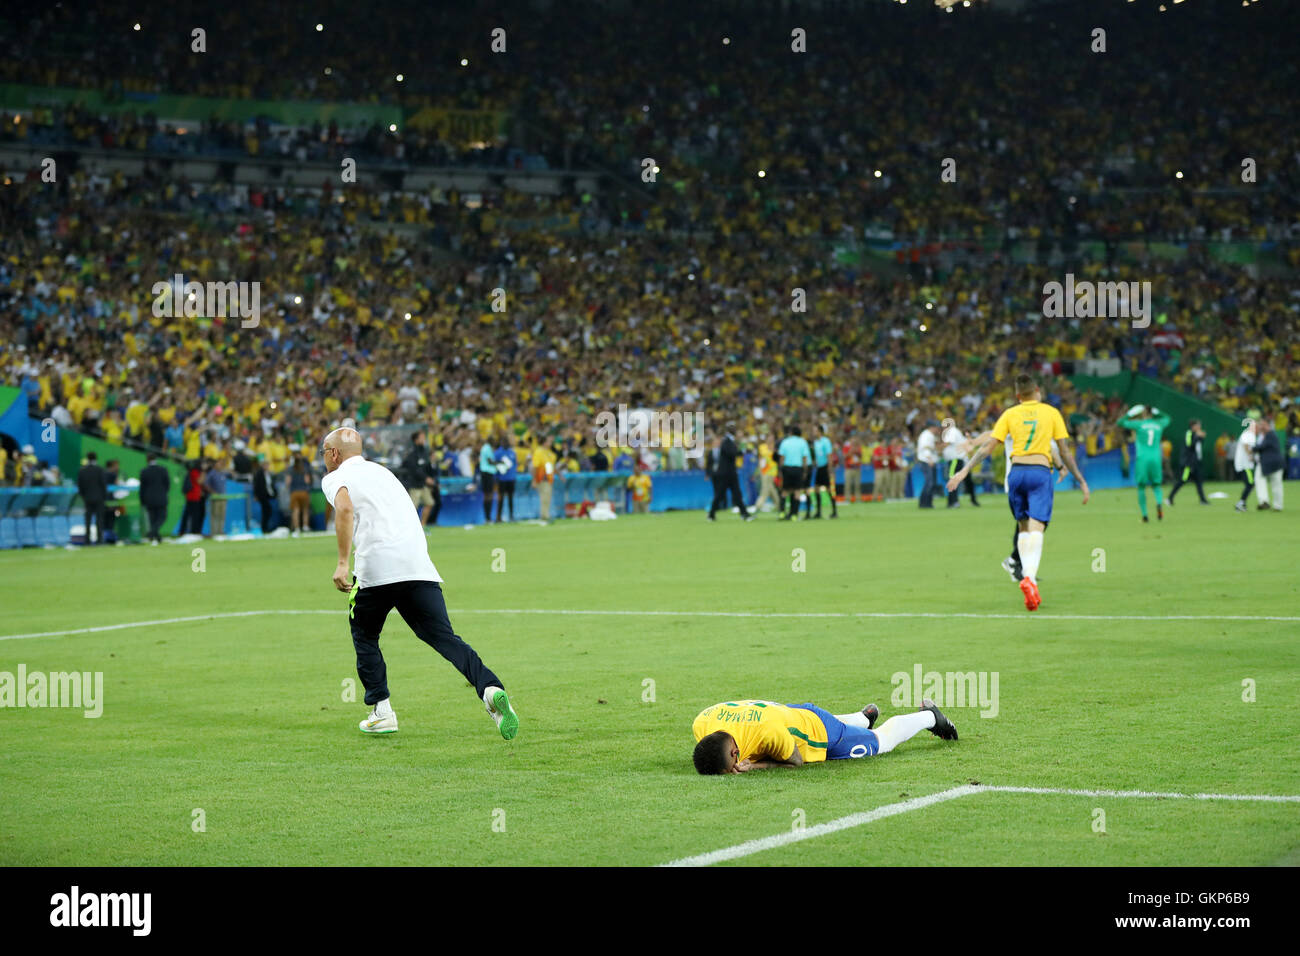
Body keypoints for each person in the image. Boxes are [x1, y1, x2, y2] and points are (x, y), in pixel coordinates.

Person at [320, 426, 518, 739]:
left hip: (376, 570)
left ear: (333, 454)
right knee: (444, 637)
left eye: (324, 453)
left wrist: (343, 562)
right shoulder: (384, 473)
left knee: (365, 633)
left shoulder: (334, 477)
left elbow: (344, 508)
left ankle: (381, 711)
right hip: (417, 566)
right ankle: (490, 688)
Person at [948, 374, 1090, 611]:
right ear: (1036, 390)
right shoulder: (1051, 413)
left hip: (1016, 473)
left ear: (1017, 395)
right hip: (1039, 472)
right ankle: (1030, 578)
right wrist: (1081, 480)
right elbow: (1063, 450)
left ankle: (1022, 571)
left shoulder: (1009, 414)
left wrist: (964, 471)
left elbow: (989, 445)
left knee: (1023, 527)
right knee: (1038, 527)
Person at [691, 697, 957, 775]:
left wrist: (756, 765)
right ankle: (863, 717)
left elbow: (796, 761)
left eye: (731, 768)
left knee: (881, 742)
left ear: (736, 754)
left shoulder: (767, 733)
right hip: (788, 713)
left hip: (820, 730)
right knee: (853, 727)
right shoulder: (702, 722)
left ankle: (931, 716)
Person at [1116, 405, 1170, 523]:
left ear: (1143, 414)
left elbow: (1120, 422)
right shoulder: (1159, 423)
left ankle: (1145, 515)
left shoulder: (1139, 424)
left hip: (1143, 459)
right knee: (1156, 485)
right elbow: (1168, 418)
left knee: (1141, 487)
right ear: (1152, 413)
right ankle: (1159, 504)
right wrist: (1158, 411)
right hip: (1156, 458)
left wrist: (1130, 413)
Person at [707, 424, 752, 521]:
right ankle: (711, 514)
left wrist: (741, 447)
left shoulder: (728, 441)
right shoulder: (727, 441)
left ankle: (744, 514)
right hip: (726, 474)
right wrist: (741, 446)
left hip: (729, 473)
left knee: (736, 494)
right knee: (720, 495)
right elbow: (733, 453)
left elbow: (736, 453)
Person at [776, 424, 812, 521]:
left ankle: (782, 513)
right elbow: (804, 457)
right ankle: (794, 515)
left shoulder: (785, 442)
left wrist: (780, 470)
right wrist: (805, 471)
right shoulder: (803, 442)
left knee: (784, 491)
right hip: (798, 468)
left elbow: (782, 457)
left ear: (791, 433)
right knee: (797, 492)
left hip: (787, 468)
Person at [1168, 419, 1208, 506]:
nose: (1199, 427)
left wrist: (1201, 437)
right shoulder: (1189, 433)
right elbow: (1189, 444)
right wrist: (1198, 436)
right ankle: (1170, 498)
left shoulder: (1196, 435)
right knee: (1183, 480)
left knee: (1199, 481)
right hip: (1188, 464)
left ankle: (1203, 500)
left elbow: (1198, 445)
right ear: (1193, 426)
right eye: (1198, 425)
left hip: (1195, 463)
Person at [401, 432, 436, 526]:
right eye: (421, 438)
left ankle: (422, 525)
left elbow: (427, 467)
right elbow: (414, 469)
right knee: (412, 508)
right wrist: (426, 478)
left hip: (423, 485)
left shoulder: (424, 452)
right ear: (416, 440)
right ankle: (409, 526)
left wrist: (431, 478)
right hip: (414, 485)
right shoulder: (412, 453)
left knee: (429, 503)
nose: (424, 440)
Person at [942, 420, 979, 508]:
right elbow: (971, 451)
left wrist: (937, 447)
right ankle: (973, 500)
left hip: (955, 461)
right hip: (964, 462)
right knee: (968, 482)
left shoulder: (952, 431)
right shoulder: (962, 438)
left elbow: (946, 443)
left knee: (953, 479)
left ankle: (953, 502)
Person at [76, 451, 108, 545]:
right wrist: (104, 497)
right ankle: (99, 540)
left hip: (87, 498)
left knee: (88, 520)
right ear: (96, 458)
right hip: (99, 498)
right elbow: (103, 485)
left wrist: (84, 496)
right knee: (99, 520)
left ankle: (87, 540)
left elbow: (80, 486)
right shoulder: (100, 470)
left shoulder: (82, 470)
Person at [138, 454, 170, 545]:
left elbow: (142, 488)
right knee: (162, 517)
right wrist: (163, 493)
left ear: (147, 459)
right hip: (161, 497)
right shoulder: (163, 469)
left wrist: (142, 500)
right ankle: (154, 534)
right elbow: (167, 485)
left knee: (153, 519)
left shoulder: (144, 471)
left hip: (149, 499)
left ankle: (153, 534)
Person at [1254, 419, 1284, 512]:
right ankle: (1265, 501)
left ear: (1267, 425)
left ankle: (1276, 506)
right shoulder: (1264, 435)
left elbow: (1262, 447)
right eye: (1260, 425)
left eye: (1262, 425)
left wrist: (1252, 448)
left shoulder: (1270, 435)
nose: (1260, 426)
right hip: (1268, 464)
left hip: (1274, 464)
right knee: (1260, 479)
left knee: (1276, 484)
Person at [810, 423, 838, 519]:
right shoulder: (816, 442)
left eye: (815, 430)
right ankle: (818, 512)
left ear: (820, 431)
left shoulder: (825, 441)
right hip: (819, 467)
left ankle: (834, 511)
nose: (813, 432)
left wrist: (830, 469)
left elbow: (829, 455)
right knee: (817, 489)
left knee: (829, 489)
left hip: (825, 467)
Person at [752, 433, 781, 514]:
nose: (771, 439)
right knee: (767, 489)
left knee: (770, 490)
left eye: (772, 438)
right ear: (766, 438)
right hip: (765, 471)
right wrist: (759, 470)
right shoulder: (762, 447)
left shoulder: (775, 447)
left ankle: (758, 506)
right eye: (769, 437)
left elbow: (777, 459)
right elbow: (760, 459)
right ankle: (779, 506)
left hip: (773, 471)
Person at [915, 420, 942, 509]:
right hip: (926, 461)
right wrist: (929, 459)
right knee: (929, 482)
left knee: (931, 483)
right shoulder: (926, 435)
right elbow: (925, 448)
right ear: (931, 427)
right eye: (936, 427)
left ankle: (928, 503)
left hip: (928, 461)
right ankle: (924, 503)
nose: (937, 429)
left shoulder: (929, 435)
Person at [531, 440, 557, 523]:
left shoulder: (549, 453)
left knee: (547, 497)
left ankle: (545, 514)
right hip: (542, 478)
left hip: (549, 479)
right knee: (544, 497)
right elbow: (535, 466)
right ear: (544, 442)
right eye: (548, 441)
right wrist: (534, 480)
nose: (550, 443)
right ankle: (545, 515)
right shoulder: (539, 452)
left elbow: (552, 466)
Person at [494, 434, 518, 522]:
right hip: (501, 479)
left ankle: (511, 516)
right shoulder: (497, 453)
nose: (506, 443)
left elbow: (515, 464)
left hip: (511, 478)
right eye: (504, 441)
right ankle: (498, 517)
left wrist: (514, 475)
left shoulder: (512, 452)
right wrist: (496, 477)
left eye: (507, 441)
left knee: (511, 498)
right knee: (501, 498)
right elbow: (494, 465)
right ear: (501, 442)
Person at [179, 459, 206, 536]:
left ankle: (185, 531)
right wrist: (204, 471)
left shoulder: (196, 472)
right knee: (193, 515)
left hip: (195, 496)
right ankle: (193, 531)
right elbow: (200, 481)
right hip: (192, 496)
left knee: (189, 514)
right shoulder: (194, 471)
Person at [287, 455, 313, 534]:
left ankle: (297, 528)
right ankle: (305, 526)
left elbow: (288, 482)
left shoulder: (290, 469)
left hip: (294, 492)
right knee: (305, 510)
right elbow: (307, 481)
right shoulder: (304, 469)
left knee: (296, 510)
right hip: (304, 492)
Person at [251, 455, 276, 533]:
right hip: (262, 495)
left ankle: (265, 528)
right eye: (266, 464)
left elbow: (270, 484)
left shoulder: (268, 473)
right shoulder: (259, 473)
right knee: (267, 510)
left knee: (267, 511)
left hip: (267, 495)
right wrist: (256, 495)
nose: (267, 466)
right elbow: (256, 485)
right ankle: (264, 528)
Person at [205, 459, 228, 537]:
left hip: (223, 497)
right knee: (215, 515)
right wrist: (212, 492)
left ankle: (220, 531)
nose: (221, 465)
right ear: (215, 465)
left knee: (222, 515)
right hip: (215, 498)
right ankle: (214, 532)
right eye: (219, 464)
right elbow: (206, 484)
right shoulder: (211, 474)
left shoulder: (222, 473)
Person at [478, 434, 498, 523]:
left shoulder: (485, 448)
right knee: (488, 494)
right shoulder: (487, 448)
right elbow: (490, 461)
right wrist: (500, 463)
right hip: (487, 473)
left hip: (486, 473)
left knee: (488, 494)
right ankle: (488, 517)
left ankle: (487, 517)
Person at [841, 432, 862, 504]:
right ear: (850, 440)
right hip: (849, 468)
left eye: (855, 439)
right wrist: (851, 451)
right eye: (853, 439)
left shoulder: (858, 447)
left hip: (856, 468)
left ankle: (858, 499)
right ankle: (847, 499)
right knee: (848, 485)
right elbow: (844, 456)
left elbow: (860, 456)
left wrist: (857, 452)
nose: (854, 441)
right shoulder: (846, 447)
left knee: (857, 485)